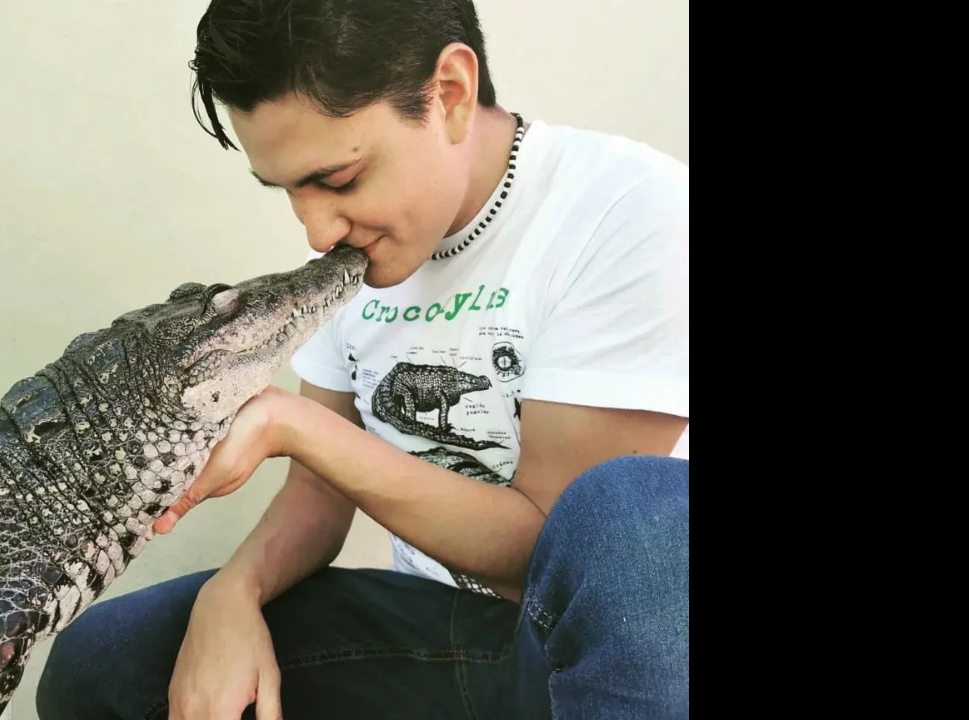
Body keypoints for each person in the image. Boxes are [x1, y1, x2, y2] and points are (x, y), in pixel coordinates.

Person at [36, 0, 689, 718]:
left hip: (614, 660)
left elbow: (548, 557)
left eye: (339, 180)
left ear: (449, 96)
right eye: (288, 189)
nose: (317, 230)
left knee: (636, 504)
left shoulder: (628, 211)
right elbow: (320, 492)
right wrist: (235, 591)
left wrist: (293, 427)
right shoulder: (354, 262)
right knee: (107, 658)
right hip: (452, 638)